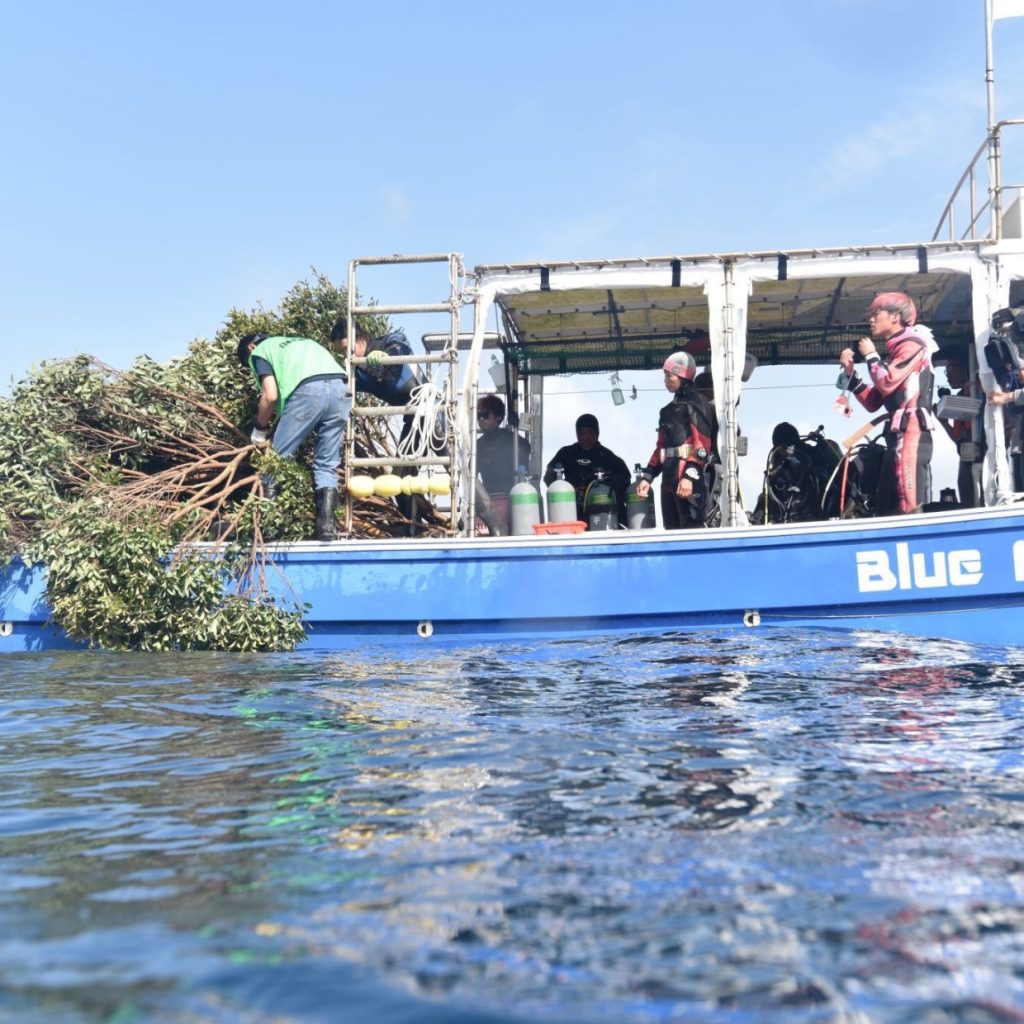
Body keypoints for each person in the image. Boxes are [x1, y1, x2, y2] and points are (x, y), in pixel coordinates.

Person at [238, 332, 350, 541]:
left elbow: (270, 395)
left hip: (308, 392)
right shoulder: (303, 342)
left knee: (277, 461)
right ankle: (327, 526)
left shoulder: (260, 352)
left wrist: (259, 429)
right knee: (327, 463)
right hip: (341, 391)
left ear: (251, 348)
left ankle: (269, 527)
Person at [330, 319, 437, 524]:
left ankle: (494, 523)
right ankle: (414, 529)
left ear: (360, 338)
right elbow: (340, 389)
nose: (346, 356)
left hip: (430, 407)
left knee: (454, 470)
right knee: (399, 482)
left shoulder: (386, 342)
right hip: (413, 421)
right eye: (342, 353)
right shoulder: (358, 372)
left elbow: (401, 343)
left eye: (347, 349)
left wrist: (388, 356)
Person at [839, 292, 935, 515]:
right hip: (897, 435)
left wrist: (872, 356)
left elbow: (887, 382)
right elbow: (874, 401)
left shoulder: (912, 344)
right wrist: (851, 375)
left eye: (876, 313)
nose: (871, 319)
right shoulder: (896, 350)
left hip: (911, 433)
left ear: (895, 317)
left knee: (908, 503)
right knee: (886, 505)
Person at [635, 352, 719, 529]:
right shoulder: (667, 411)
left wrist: (689, 476)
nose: (665, 380)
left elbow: (702, 445)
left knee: (692, 533)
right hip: (669, 481)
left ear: (682, 376)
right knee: (671, 533)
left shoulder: (698, 404)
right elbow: (660, 448)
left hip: (689, 482)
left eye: (669, 376)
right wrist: (647, 477)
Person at [543, 413, 630, 524]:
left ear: (597, 433)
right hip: (572, 512)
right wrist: (569, 489)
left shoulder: (607, 456)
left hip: (601, 513)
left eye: (590, 433)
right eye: (581, 434)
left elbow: (625, 479)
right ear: (576, 434)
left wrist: (602, 486)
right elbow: (549, 476)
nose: (585, 438)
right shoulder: (566, 453)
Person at [475, 393, 531, 534]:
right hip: (486, 504)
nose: (481, 420)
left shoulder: (515, 441)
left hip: (513, 500)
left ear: (498, 417)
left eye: (485, 415)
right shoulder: (477, 446)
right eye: (478, 416)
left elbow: (526, 460)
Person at [935, 350, 981, 507]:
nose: (947, 375)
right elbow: (958, 439)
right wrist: (943, 422)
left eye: (949, 369)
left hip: (983, 451)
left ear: (965, 368)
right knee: (967, 493)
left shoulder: (980, 389)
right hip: (967, 454)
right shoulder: (960, 397)